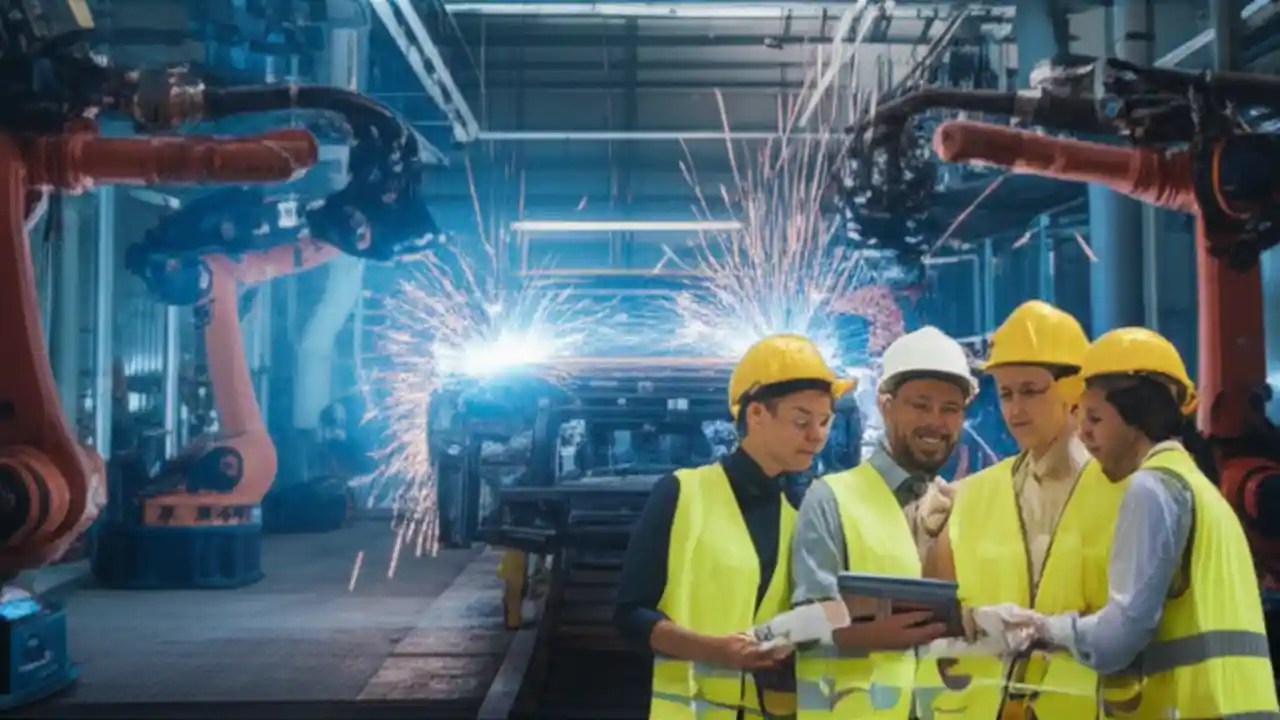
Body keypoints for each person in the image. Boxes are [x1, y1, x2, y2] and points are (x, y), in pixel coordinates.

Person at [993, 327, 1280, 719]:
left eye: (1095, 417)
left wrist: (1043, 629)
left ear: (1139, 417)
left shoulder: (1151, 489)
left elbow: (1119, 638)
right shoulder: (1194, 486)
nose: (1083, 432)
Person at [614, 333, 855, 720]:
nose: (817, 436)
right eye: (801, 421)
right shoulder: (682, 493)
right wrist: (715, 650)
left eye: (825, 422)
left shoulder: (796, 516)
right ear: (756, 414)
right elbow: (630, 614)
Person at [920, 301, 1129, 719]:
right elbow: (934, 612)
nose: (1015, 409)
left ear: (1074, 389)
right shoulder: (972, 497)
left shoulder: (1123, 490)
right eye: (1006, 393)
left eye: (1031, 391)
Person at [791, 326, 977, 719]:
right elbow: (802, 629)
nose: (936, 422)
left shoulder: (962, 506)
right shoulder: (831, 498)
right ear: (885, 405)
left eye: (950, 409)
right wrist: (871, 635)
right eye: (920, 405)